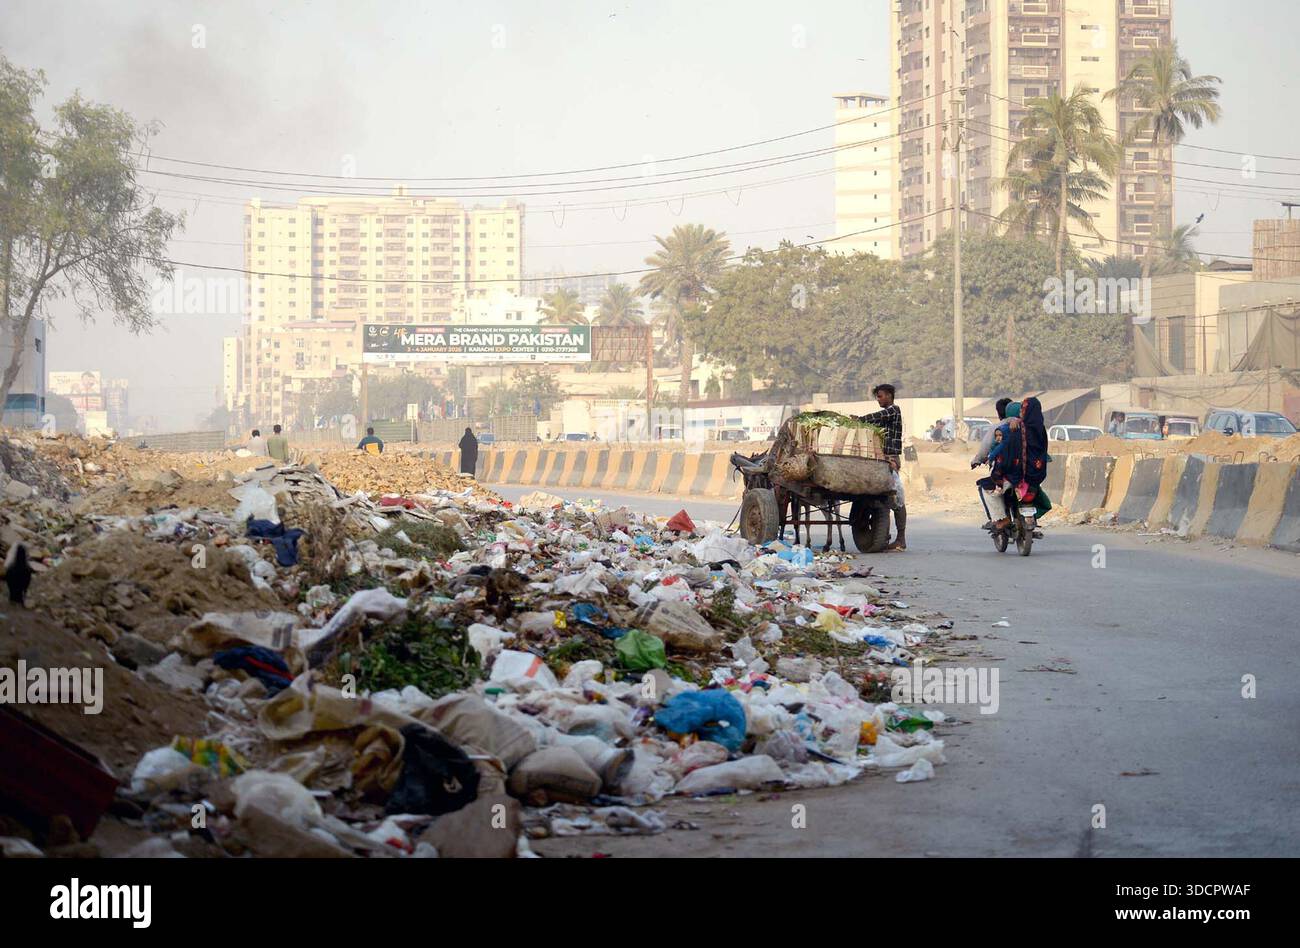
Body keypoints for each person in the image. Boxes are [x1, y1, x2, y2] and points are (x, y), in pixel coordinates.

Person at [858, 383, 907, 551]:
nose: (878, 399)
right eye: (877, 397)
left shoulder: (894, 410)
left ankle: (901, 538)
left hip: (891, 459)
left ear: (889, 395)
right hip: (880, 459)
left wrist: (859, 420)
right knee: (880, 496)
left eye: (880, 396)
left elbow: (876, 417)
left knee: (896, 498)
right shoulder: (886, 416)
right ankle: (883, 536)